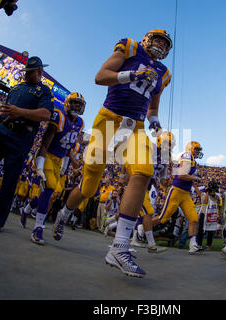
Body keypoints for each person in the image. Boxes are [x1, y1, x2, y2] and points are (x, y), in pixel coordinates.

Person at [53, 29, 173, 278]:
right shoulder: (130, 47)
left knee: (143, 171)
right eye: (158, 39)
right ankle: (64, 214)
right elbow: (100, 76)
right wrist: (133, 74)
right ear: (146, 40)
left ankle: (119, 248)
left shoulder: (164, 73)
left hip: (135, 126)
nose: (161, 44)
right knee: (89, 187)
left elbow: (152, 106)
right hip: (108, 121)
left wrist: (155, 121)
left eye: (165, 43)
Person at [0, 56, 54, 231]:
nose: (27, 75)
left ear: (39, 72)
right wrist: (0, 117)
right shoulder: (16, 87)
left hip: (22, 137)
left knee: (9, 179)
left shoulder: (43, 90)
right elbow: (9, 107)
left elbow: (46, 114)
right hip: (3, 130)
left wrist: (20, 112)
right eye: (26, 71)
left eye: (30, 72)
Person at [20, 92, 85, 244]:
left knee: (51, 193)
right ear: (67, 103)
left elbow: (68, 145)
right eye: (75, 103)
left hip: (59, 160)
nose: (77, 106)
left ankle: (27, 209)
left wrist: (68, 162)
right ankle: (38, 228)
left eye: (79, 104)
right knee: (48, 188)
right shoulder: (59, 116)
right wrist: (40, 166)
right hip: (47, 155)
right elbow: (44, 143)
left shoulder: (80, 123)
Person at [152, 141, 203, 254]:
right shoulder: (187, 156)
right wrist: (195, 178)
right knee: (163, 218)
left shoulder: (192, 160)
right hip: (176, 192)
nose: (198, 151)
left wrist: (193, 179)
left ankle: (193, 245)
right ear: (190, 148)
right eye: (197, 149)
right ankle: (140, 229)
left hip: (185, 194)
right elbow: (181, 175)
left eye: (199, 149)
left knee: (193, 218)